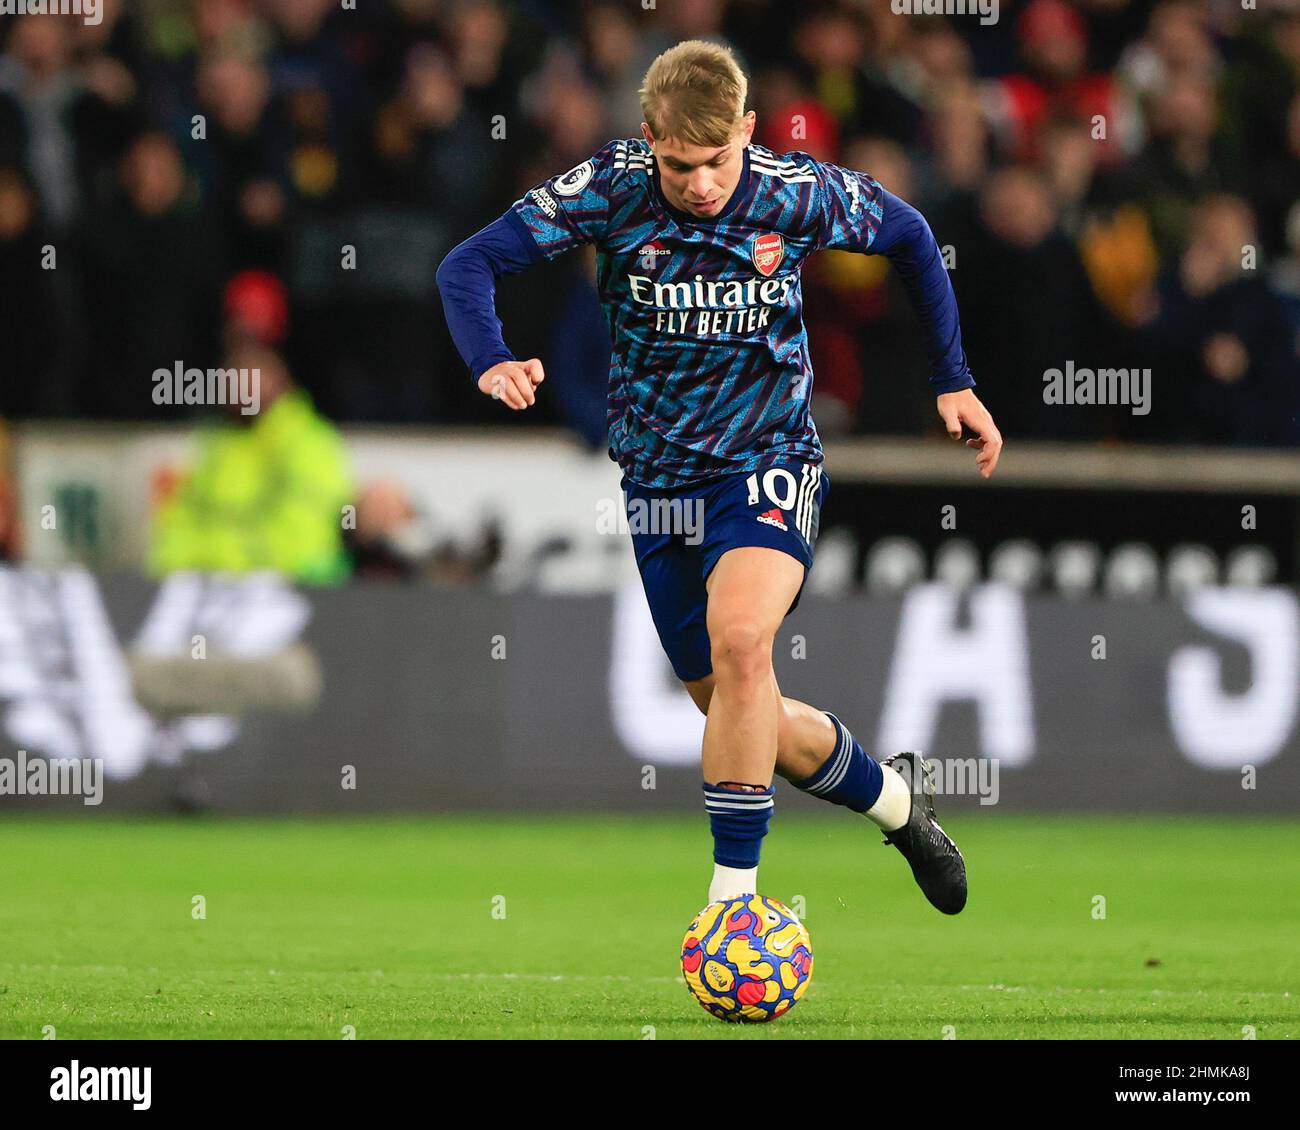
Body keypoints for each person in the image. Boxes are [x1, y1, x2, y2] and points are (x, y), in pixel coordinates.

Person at [437, 40, 1002, 914]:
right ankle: (898, 801)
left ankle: (732, 905)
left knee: (745, 645)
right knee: (743, 715)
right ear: (648, 135)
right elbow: (467, 264)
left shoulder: (792, 190)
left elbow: (910, 237)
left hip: (767, 463)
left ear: (747, 129)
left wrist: (953, 378)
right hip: (659, 485)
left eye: (717, 161)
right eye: (678, 163)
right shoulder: (609, 188)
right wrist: (491, 358)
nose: (701, 184)